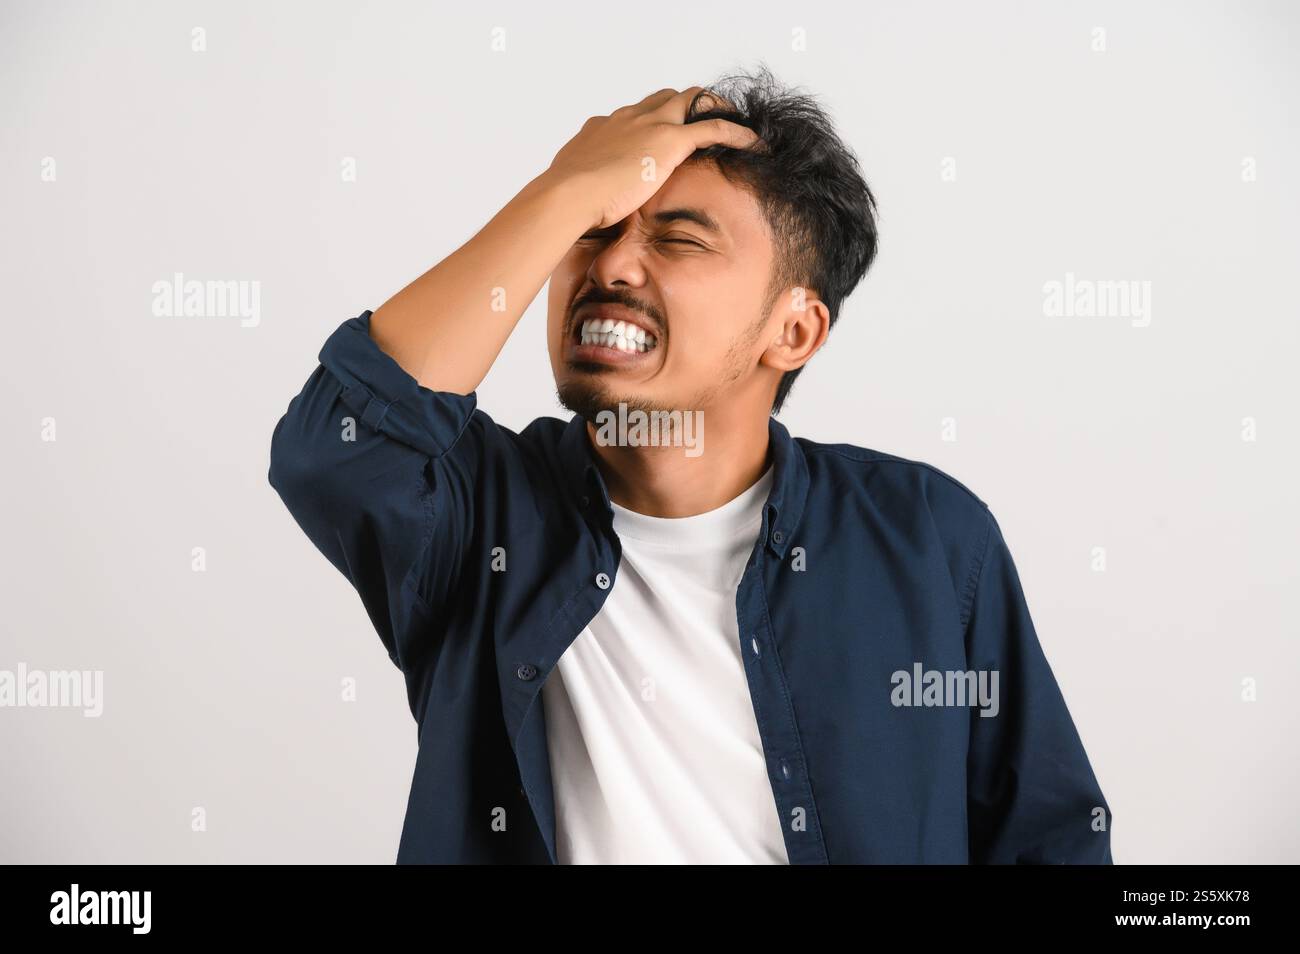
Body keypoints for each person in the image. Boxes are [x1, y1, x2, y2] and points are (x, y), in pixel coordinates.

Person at [268, 66, 1113, 864]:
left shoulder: (928, 540)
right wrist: (562, 191)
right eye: (593, 231)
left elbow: (1049, 840)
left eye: (677, 239)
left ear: (795, 331)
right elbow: (336, 446)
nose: (608, 265)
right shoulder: (477, 515)